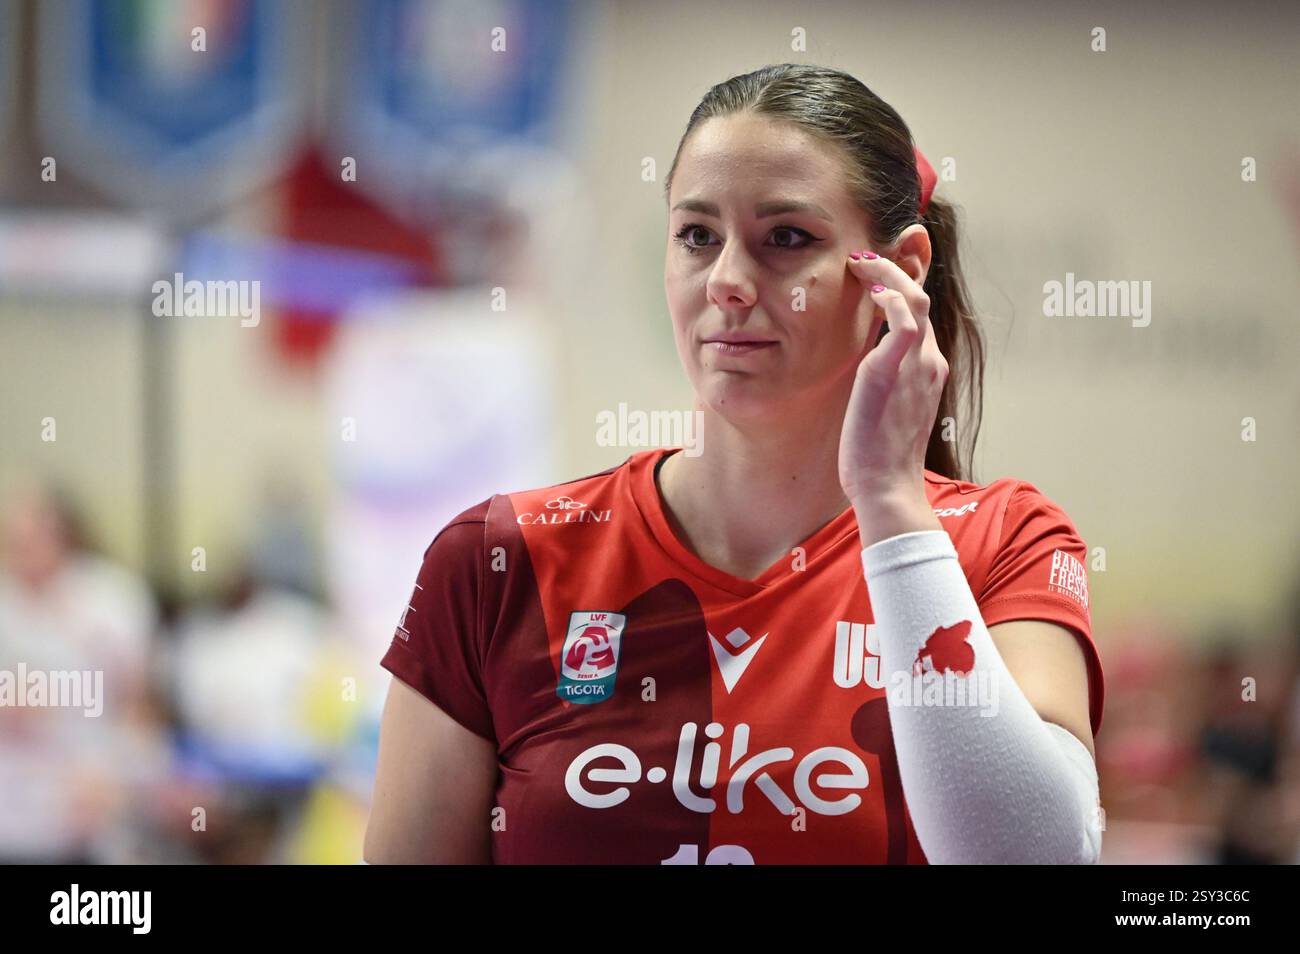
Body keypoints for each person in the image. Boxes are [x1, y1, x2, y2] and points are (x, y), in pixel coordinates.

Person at [365, 63, 1104, 864]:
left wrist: (891, 506)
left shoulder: (1004, 543)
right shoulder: (496, 560)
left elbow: (1042, 859)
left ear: (902, 271)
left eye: (787, 238)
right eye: (697, 236)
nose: (727, 282)